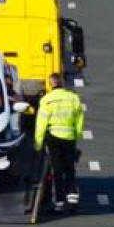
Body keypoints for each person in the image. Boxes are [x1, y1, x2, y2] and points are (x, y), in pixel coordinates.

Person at [34, 72, 86, 213]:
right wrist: (76, 135)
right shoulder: (73, 98)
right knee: (70, 169)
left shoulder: (46, 100)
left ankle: (59, 203)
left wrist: (38, 144)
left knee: (57, 170)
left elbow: (41, 124)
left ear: (51, 84)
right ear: (62, 82)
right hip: (69, 136)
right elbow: (79, 120)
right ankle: (73, 199)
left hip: (53, 137)